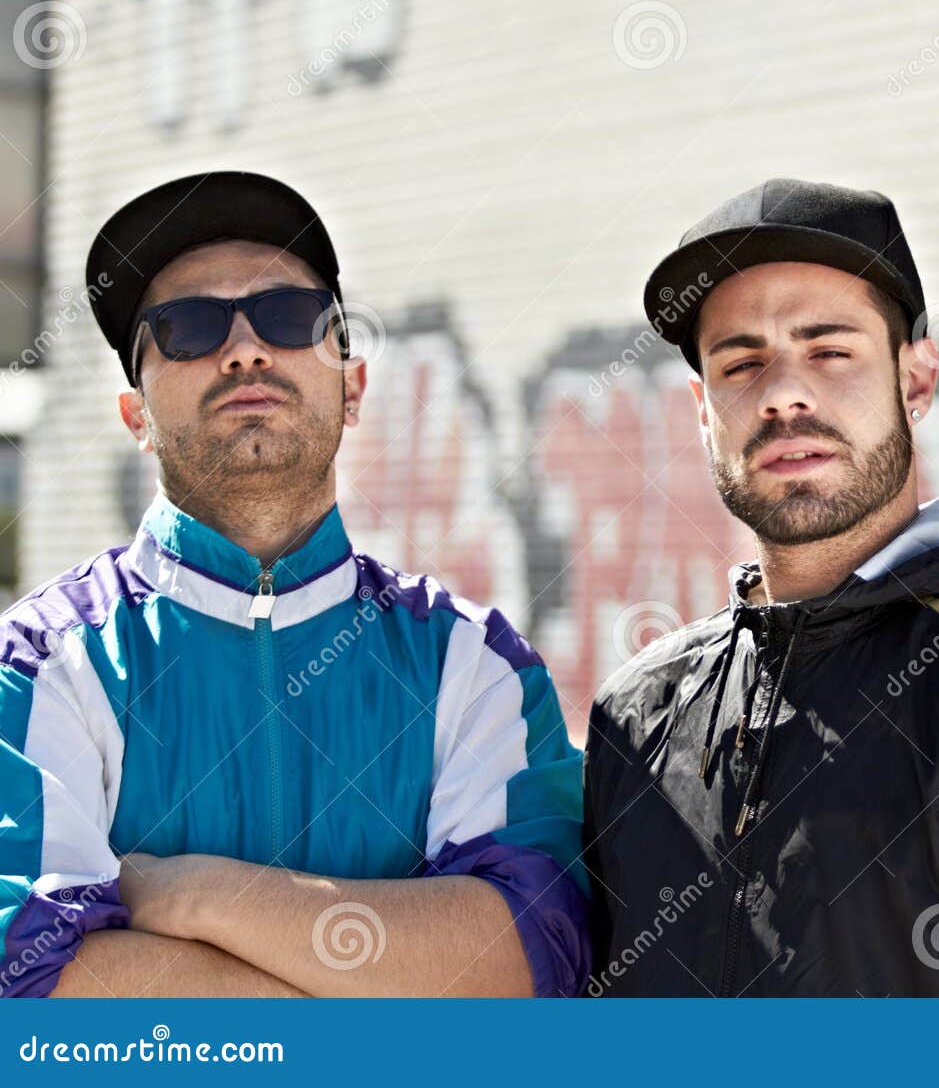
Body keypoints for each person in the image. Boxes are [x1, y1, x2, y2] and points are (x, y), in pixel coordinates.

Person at [0, 172, 587, 997]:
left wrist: (198, 894)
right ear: (136, 415)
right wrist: (379, 999)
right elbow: (29, 989)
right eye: (188, 327)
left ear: (352, 386)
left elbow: (525, 959)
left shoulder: (475, 664)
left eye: (288, 317)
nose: (244, 349)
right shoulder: (39, 667)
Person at [582, 178, 939, 996]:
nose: (783, 393)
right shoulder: (635, 716)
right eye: (742, 362)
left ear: (916, 380)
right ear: (704, 410)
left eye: (829, 350)